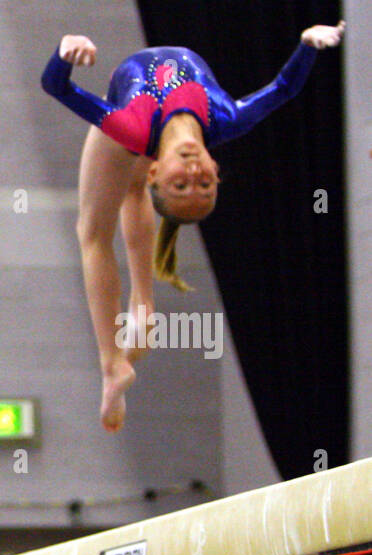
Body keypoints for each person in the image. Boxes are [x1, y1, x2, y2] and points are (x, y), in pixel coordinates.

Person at [42, 22, 344, 432]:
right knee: (129, 194)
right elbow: (284, 89)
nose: (192, 170)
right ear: (216, 170)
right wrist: (308, 45)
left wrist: (65, 51)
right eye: (203, 182)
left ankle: (111, 365)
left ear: (155, 173)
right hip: (147, 136)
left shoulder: (130, 127)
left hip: (130, 124)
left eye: (179, 184)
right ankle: (143, 304)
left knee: (93, 235)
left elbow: (56, 87)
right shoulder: (227, 119)